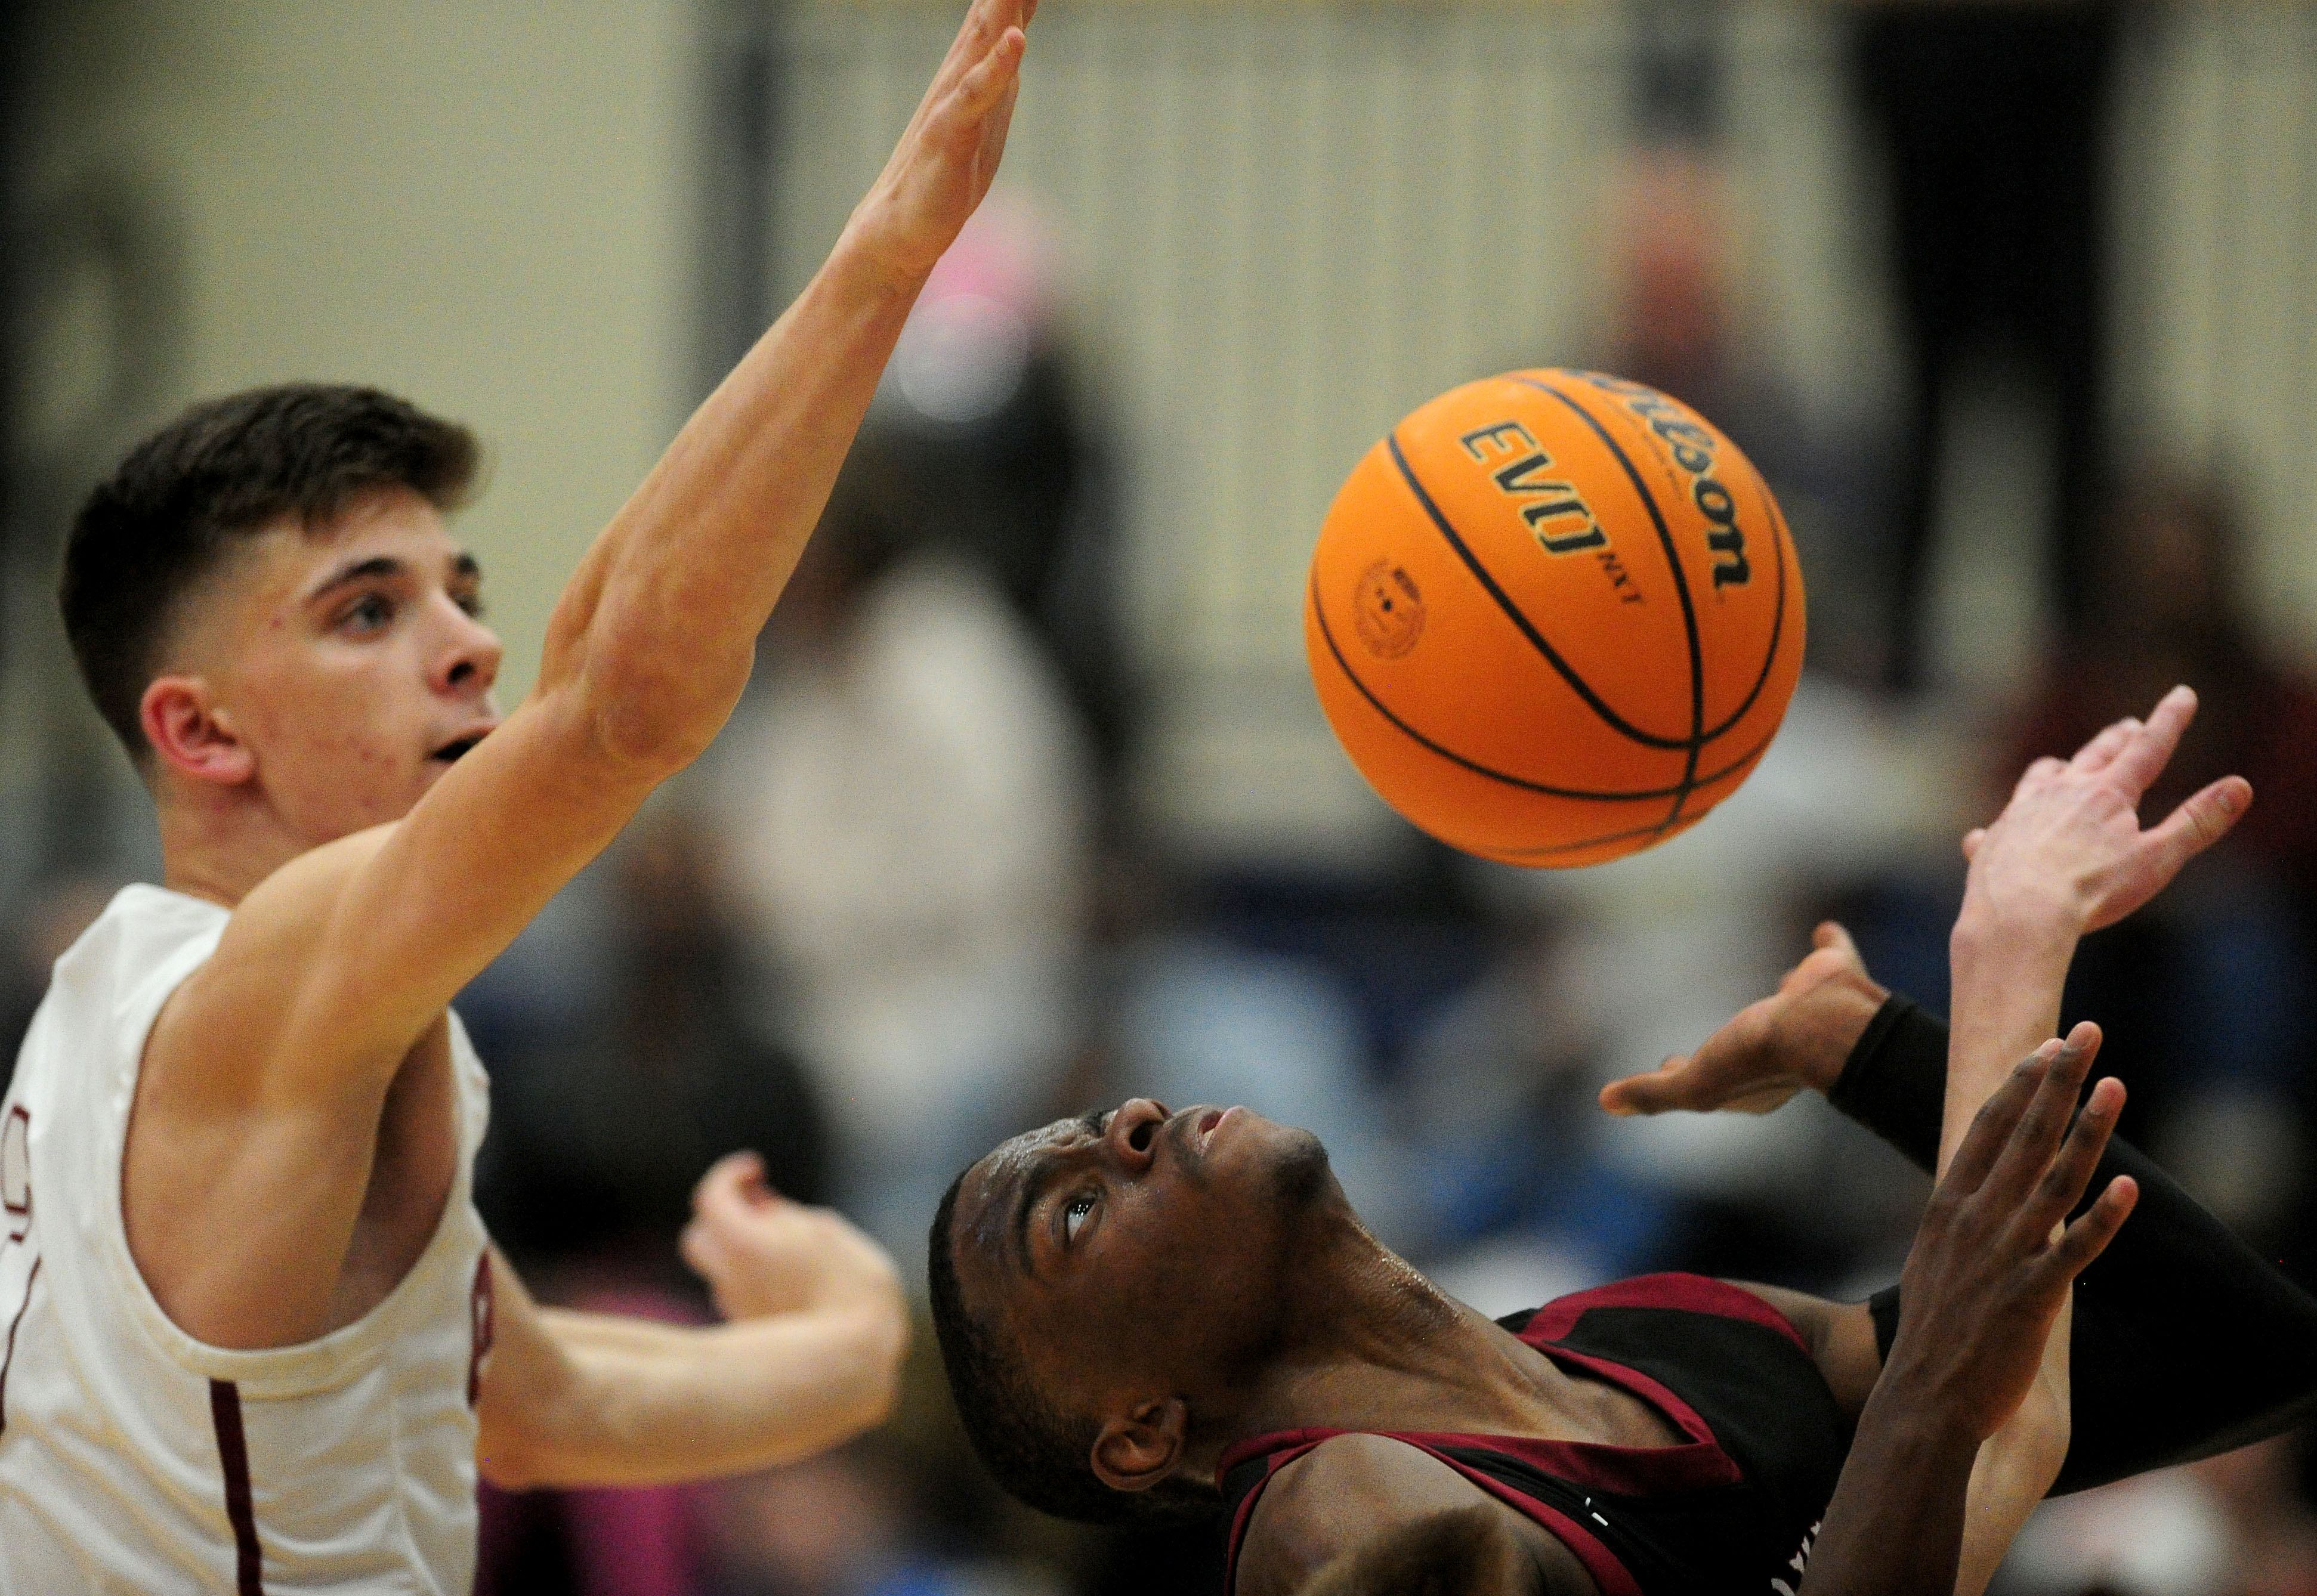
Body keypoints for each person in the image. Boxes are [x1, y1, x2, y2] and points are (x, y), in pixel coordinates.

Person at [0, 1, 1037, 1589]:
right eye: (369, 611)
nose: (469, 643)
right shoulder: (250, 985)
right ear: (202, 734)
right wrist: (884, 264)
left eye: (459, 590)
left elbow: (530, 1400)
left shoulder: (205, 1021)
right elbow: (619, 702)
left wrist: (843, 1348)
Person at [926, 689, 2315, 1594]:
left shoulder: (1653, 1334)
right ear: (1142, 1436)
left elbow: (2233, 1353)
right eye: (1071, 1215)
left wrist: (1903, 1031)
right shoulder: (1330, 1520)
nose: (1129, 1125)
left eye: (1096, 1132)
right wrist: (1932, 1395)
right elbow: (1969, 1405)